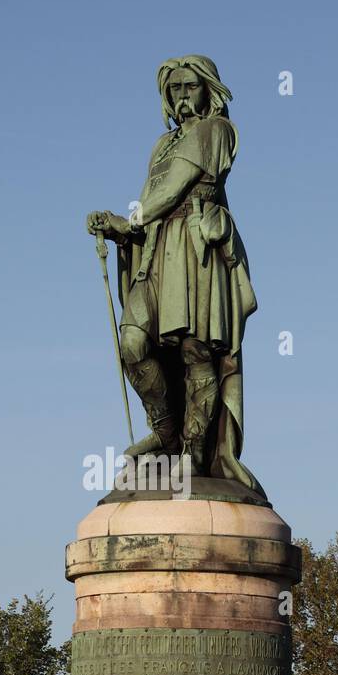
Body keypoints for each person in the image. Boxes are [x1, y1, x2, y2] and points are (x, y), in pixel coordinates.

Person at [86, 55, 264, 494]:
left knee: (195, 350)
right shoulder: (160, 145)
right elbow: (153, 198)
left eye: (190, 87)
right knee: (133, 342)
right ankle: (166, 435)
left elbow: (172, 188)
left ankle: (194, 454)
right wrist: (122, 231)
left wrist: (126, 221)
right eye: (175, 89)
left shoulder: (216, 132)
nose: (182, 97)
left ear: (207, 89)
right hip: (158, 249)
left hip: (194, 248)